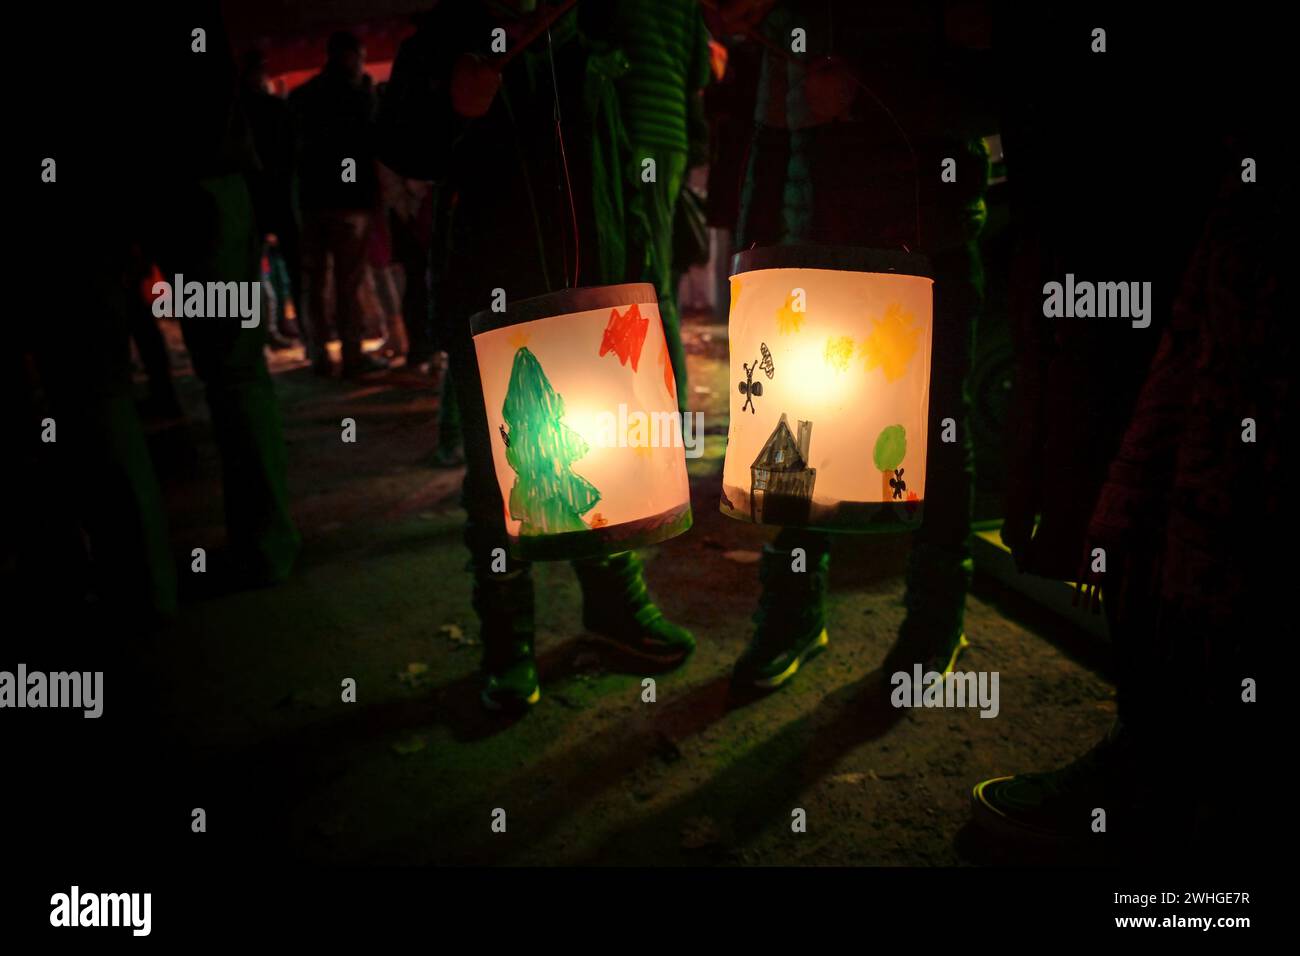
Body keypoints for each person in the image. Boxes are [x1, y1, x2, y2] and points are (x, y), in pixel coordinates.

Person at [379, 0, 694, 712]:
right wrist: (451, 103)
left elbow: (629, 167)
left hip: (597, 288)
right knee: (502, 480)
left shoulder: (594, 35)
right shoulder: (445, 41)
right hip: (492, 303)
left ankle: (614, 607)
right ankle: (507, 639)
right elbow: (402, 139)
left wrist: (638, 278)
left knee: (602, 466)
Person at [722, 0, 992, 689]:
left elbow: (994, 87)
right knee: (799, 429)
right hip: (806, 224)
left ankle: (935, 620)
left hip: (924, 226)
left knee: (937, 434)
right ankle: (792, 613)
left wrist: (866, 93)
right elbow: (760, 124)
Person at [291, 31, 388, 378]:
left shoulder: (303, 97)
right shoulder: (359, 94)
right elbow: (374, 137)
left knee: (314, 283)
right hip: (350, 202)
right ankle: (351, 354)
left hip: (313, 201)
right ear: (353, 56)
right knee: (348, 283)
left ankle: (319, 354)